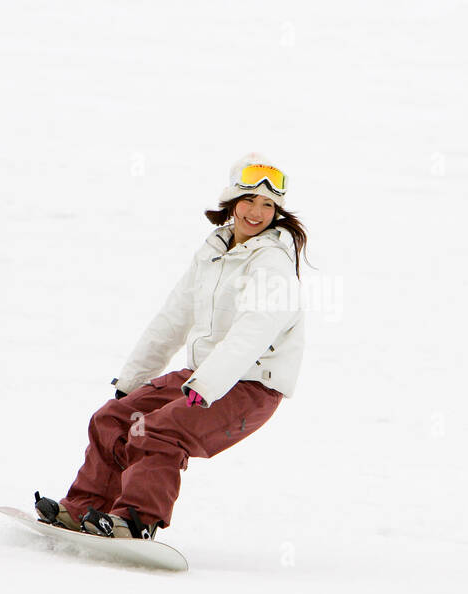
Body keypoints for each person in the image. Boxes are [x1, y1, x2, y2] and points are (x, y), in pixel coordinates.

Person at [35, 153, 309, 540]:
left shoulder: (272, 263)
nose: (256, 212)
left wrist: (207, 385)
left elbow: (256, 328)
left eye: (268, 205)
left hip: (250, 386)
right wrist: (133, 380)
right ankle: (84, 508)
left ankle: (135, 522)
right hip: (204, 378)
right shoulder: (213, 253)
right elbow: (174, 317)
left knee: (157, 429)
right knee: (113, 418)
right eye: (248, 200)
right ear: (231, 203)